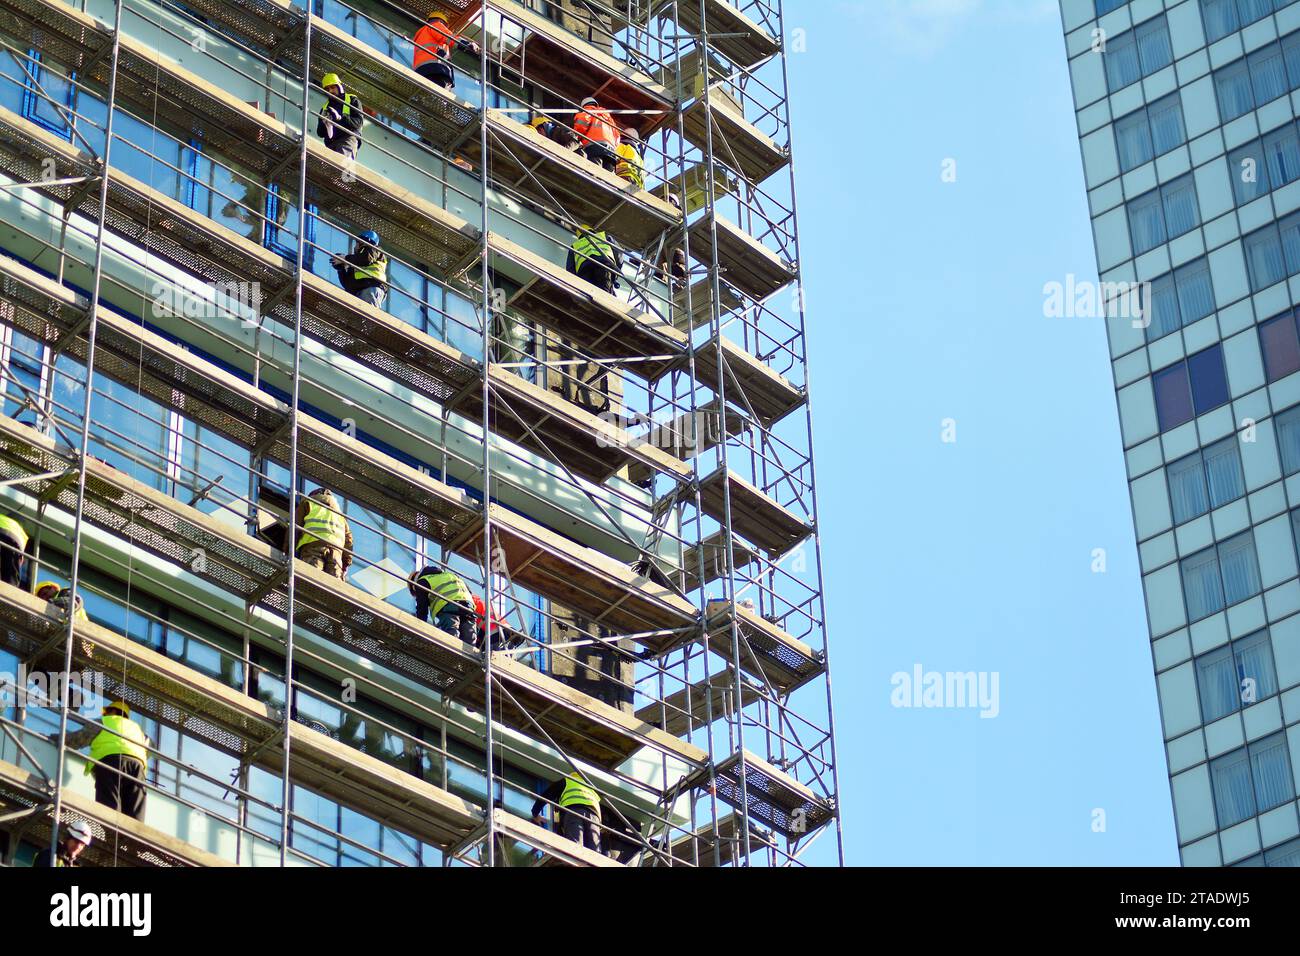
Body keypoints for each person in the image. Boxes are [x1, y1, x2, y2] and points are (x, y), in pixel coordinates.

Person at [64, 701, 149, 822]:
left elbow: (79, 739)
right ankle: (134, 838)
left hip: (111, 761)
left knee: (109, 806)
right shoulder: (138, 731)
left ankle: (109, 832)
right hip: (137, 766)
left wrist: (57, 737)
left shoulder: (104, 722)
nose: (104, 715)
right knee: (135, 808)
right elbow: (150, 748)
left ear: (113, 711)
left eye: (106, 712)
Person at [532, 772, 601, 853]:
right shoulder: (591, 788)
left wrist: (535, 813)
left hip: (574, 811)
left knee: (575, 846)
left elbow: (546, 795)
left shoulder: (567, 781)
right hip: (594, 817)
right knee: (594, 849)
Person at [412, 11, 479, 91]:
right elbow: (448, 37)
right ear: (441, 22)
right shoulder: (435, 25)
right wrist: (467, 44)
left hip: (421, 70)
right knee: (443, 93)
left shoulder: (421, 33)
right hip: (436, 68)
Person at [408, 565, 476, 645]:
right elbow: (470, 592)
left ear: (414, 584)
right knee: (469, 638)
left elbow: (422, 609)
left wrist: (420, 629)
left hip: (448, 606)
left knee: (451, 634)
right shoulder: (450, 575)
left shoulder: (422, 581)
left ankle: (451, 653)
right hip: (468, 606)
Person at [295, 489, 352, 581]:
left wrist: (287, 550)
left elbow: (295, 527)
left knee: (311, 578)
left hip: (313, 545)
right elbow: (348, 540)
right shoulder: (340, 515)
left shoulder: (308, 502)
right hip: (336, 551)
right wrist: (345, 563)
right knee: (334, 584)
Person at [330, 229, 388, 309]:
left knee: (369, 315)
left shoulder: (375, 249)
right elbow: (348, 285)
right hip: (360, 291)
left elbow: (366, 259)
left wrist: (345, 258)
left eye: (357, 242)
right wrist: (341, 269)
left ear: (363, 242)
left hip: (372, 286)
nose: (355, 246)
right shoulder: (355, 262)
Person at [316, 72, 364, 160]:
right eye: (327, 89)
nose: (330, 91)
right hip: (330, 144)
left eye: (333, 87)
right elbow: (320, 133)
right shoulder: (325, 108)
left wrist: (340, 118)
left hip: (347, 140)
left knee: (342, 168)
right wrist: (324, 123)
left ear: (339, 86)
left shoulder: (352, 100)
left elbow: (358, 123)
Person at [567, 226, 622, 294]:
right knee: (605, 293)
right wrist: (617, 270)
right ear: (592, 230)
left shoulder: (575, 245)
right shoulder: (604, 236)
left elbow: (570, 268)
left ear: (579, 236)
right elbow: (618, 252)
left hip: (584, 270)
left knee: (587, 293)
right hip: (604, 266)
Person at [573, 96, 619, 172]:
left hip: (593, 146)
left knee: (595, 172)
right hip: (611, 150)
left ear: (584, 105)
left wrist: (576, 139)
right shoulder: (608, 118)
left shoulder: (587, 111)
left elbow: (580, 127)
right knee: (608, 174)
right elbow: (617, 136)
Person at [0, 512, 27, 587]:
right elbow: (20, 559)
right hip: (14, 542)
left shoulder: (1, 518)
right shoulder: (21, 532)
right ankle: (10, 589)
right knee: (11, 577)